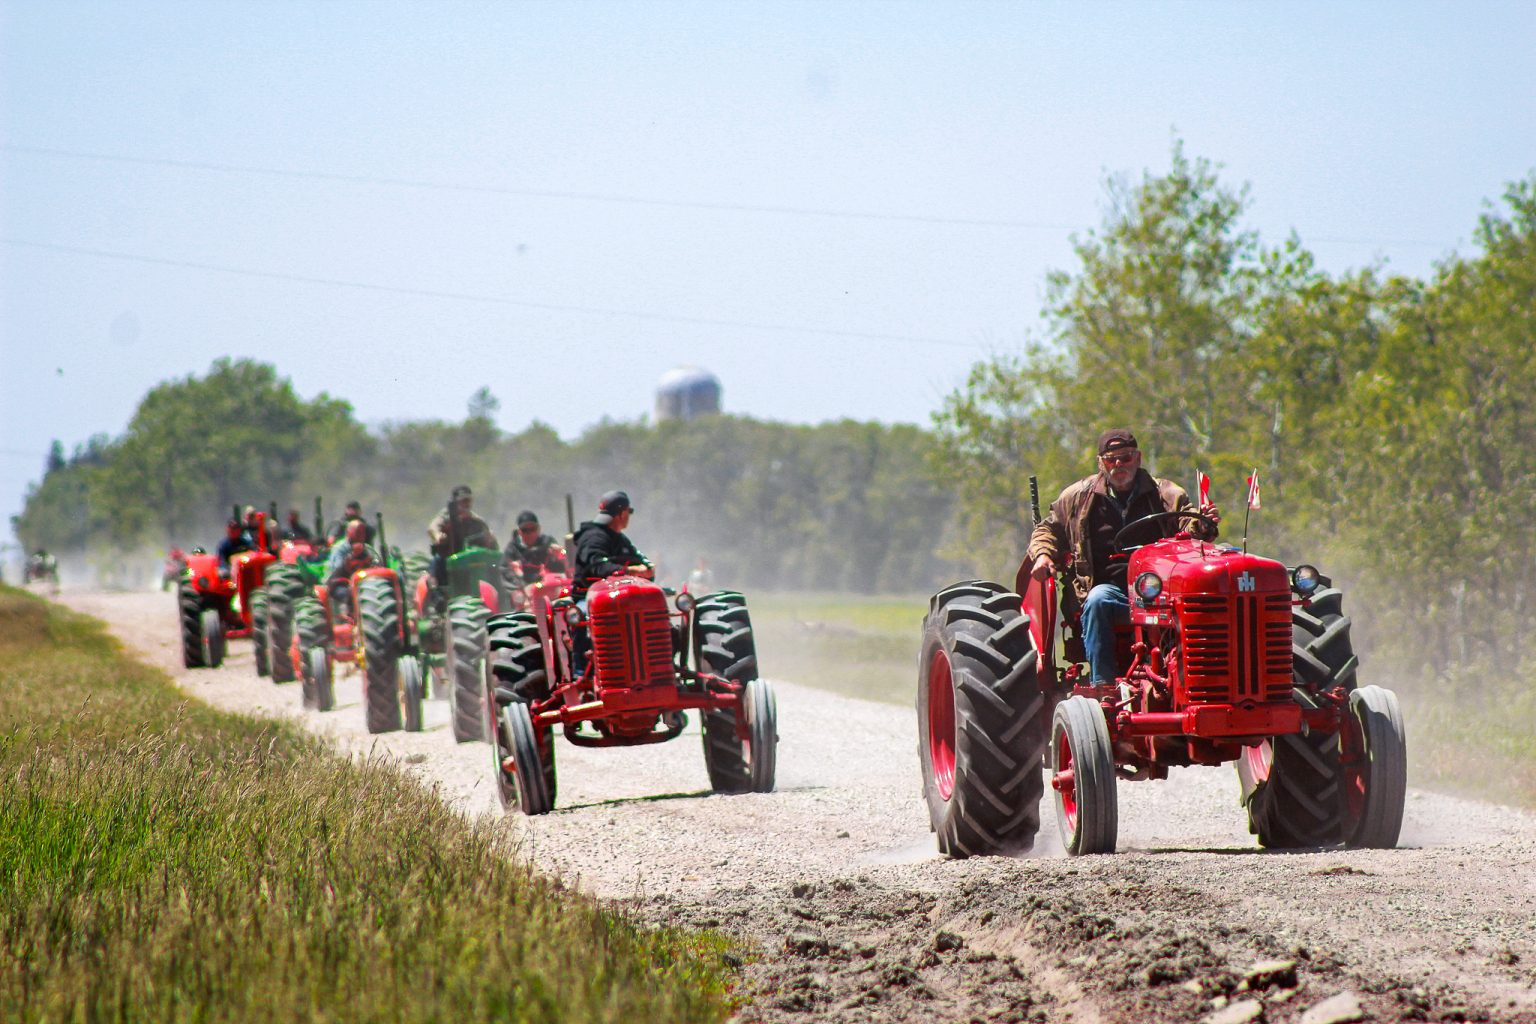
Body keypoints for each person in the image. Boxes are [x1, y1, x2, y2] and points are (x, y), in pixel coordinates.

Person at [1025, 428, 1221, 686]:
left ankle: (1199, 681)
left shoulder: (1166, 494)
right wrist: (1042, 555)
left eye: (1126, 457)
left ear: (1137, 458)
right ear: (1101, 463)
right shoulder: (1077, 497)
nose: (1119, 464)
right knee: (1097, 600)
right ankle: (1102, 687)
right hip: (1109, 590)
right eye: (1111, 459)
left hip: (1160, 591)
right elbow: (1048, 530)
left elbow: (1189, 526)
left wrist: (1204, 524)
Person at [568, 491, 652, 676]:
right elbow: (597, 565)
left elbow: (643, 562)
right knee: (582, 620)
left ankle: (655, 664)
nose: (628, 517)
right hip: (588, 597)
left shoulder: (621, 539)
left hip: (624, 598)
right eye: (628, 512)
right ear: (621, 513)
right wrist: (628, 570)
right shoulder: (592, 537)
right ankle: (581, 673)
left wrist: (647, 569)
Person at [427, 485, 499, 581]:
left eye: (468, 501)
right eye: (462, 501)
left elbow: (489, 536)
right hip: (447, 559)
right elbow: (433, 527)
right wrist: (438, 536)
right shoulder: (445, 517)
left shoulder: (475, 521)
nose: (466, 504)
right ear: (455, 503)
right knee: (435, 571)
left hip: (471, 561)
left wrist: (490, 539)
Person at [325, 520, 379, 616]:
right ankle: (345, 615)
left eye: (362, 532)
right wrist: (349, 562)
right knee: (348, 593)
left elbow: (376, 563)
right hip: (341, 583)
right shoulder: (339, 549)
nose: (360, 534)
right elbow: (337, 569)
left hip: (365, 583)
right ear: (349, 532)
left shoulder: (367, 549)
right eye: (357, 531)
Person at [503, 510, 568, 584]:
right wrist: (515, 573)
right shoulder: (512, 549)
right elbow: (505, 572)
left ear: (538, 529)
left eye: (532, 529)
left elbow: (564, 558)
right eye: (525, 530)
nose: (529, 534)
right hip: (525, 589)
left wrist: (561, 554)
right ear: (519, 532)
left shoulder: (548, 542)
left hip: (551, 585)